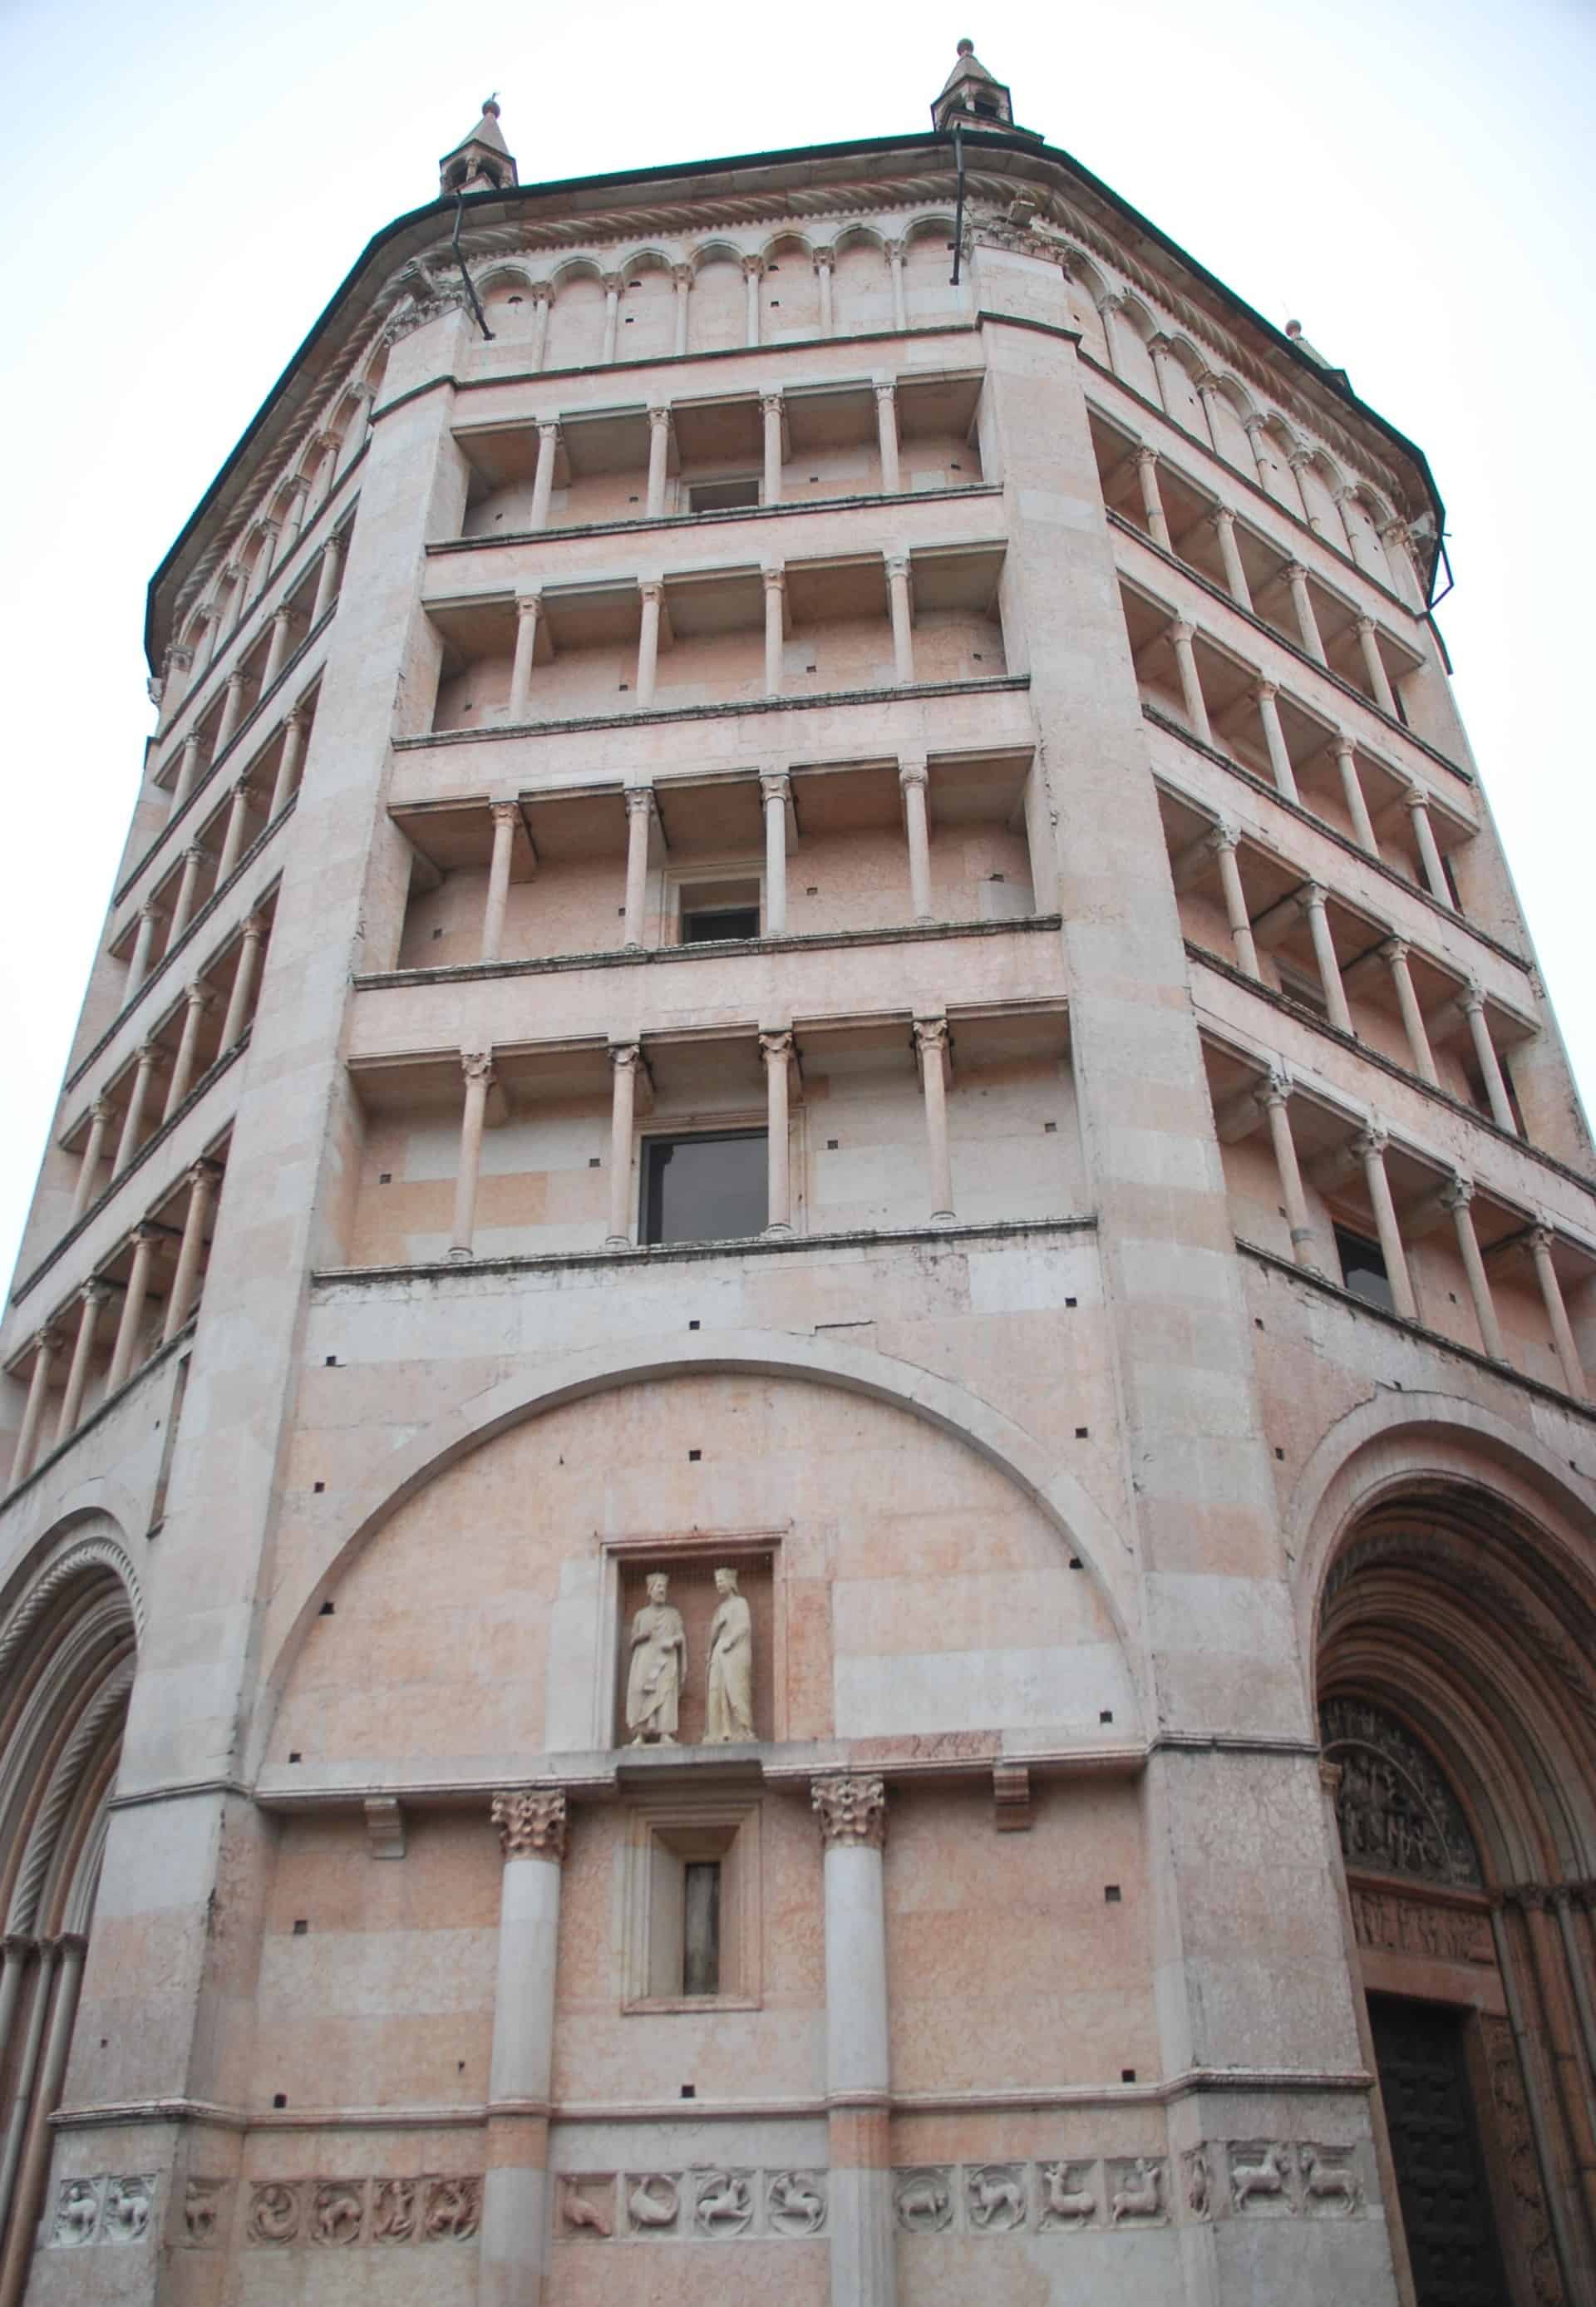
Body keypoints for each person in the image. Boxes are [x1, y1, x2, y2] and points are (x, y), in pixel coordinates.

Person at [624, 1573, 686, 1744]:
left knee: (665, 1693)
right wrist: (641, 1636)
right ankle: (640, 1733)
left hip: (666, 1659)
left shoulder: (673, 1614)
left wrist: (672, 1641)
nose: (662, 1590)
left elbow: (680, 1636)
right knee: (640, 1691)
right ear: (650, 1591)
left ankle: (665, 1732)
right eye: (658, 1587)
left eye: (664, 1588)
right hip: (645, 1658)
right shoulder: (641, 1615)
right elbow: (632, 1641)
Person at [704, 1565, 754, 1743]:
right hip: (719, 1652)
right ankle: (720, 1730)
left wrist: (731, 1641)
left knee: (736, 1687)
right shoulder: (720, 1608)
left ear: (731, 1582)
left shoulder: (741, 1603)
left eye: (721, 1581)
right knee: (717, 1690)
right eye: (717, 1582)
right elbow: (713, 1634)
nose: (719, 1585)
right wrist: (717, 1631)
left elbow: (745, 1626)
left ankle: (743, 1728)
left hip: (735, 1651)